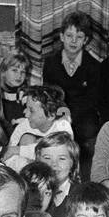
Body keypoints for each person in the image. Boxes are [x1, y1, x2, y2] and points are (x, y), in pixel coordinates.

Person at [43, 12, 103, 160]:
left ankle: (80, 164)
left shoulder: (94, 66)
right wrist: (61, 112)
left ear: (86, 40)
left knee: (88, 130)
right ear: (62, 37)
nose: (73, 41)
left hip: (83, 115)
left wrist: (70, 115)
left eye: (79, 37)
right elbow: (49, 94)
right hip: (57, 111)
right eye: (69, 36)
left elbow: (92, 99)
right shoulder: (50, 63)